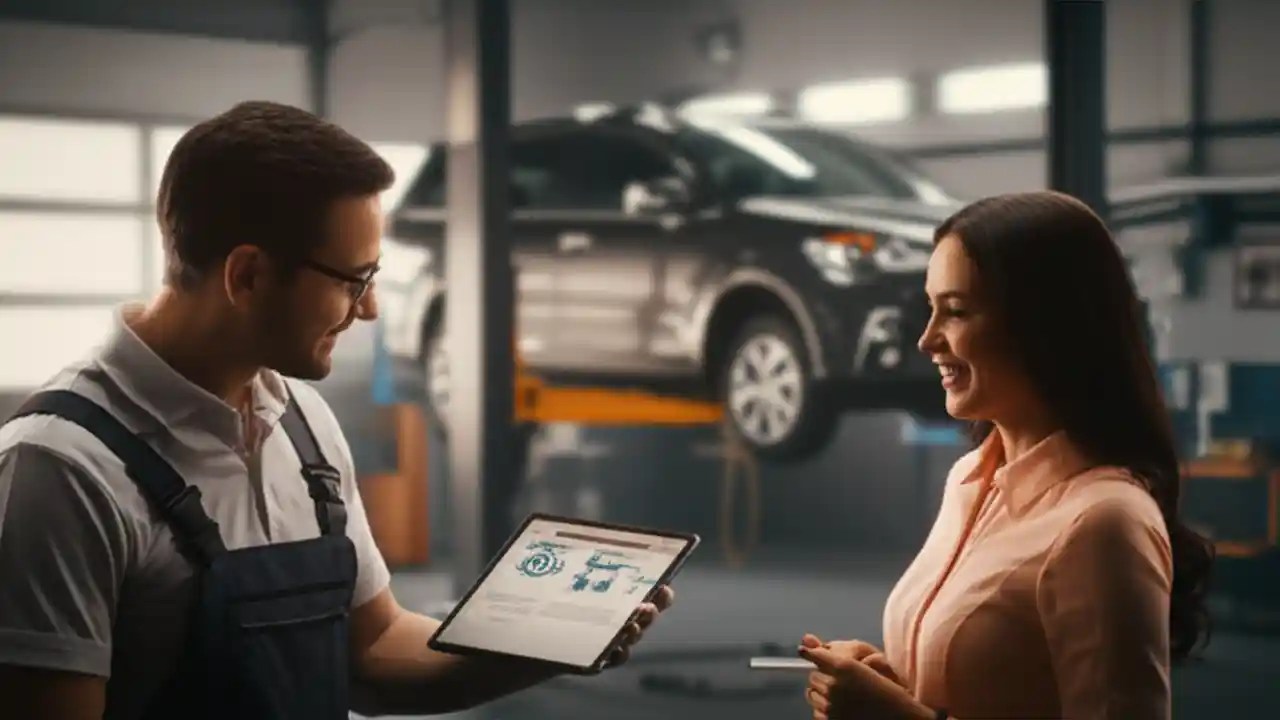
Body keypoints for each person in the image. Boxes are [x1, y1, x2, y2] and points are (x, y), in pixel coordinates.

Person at [0, 101, 674, 720]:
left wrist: (551, 640)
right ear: (249, 276)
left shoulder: (305, 425)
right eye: (355, 280)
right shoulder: (60, 471)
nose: (371, 310)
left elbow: (374, 649)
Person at [798, 191, 1214, 720]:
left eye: (956, 312)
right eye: (931, 309)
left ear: (1044, 324)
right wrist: (888, 682)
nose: (927, 340)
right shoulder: (969, 479)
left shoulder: (1103, 522)